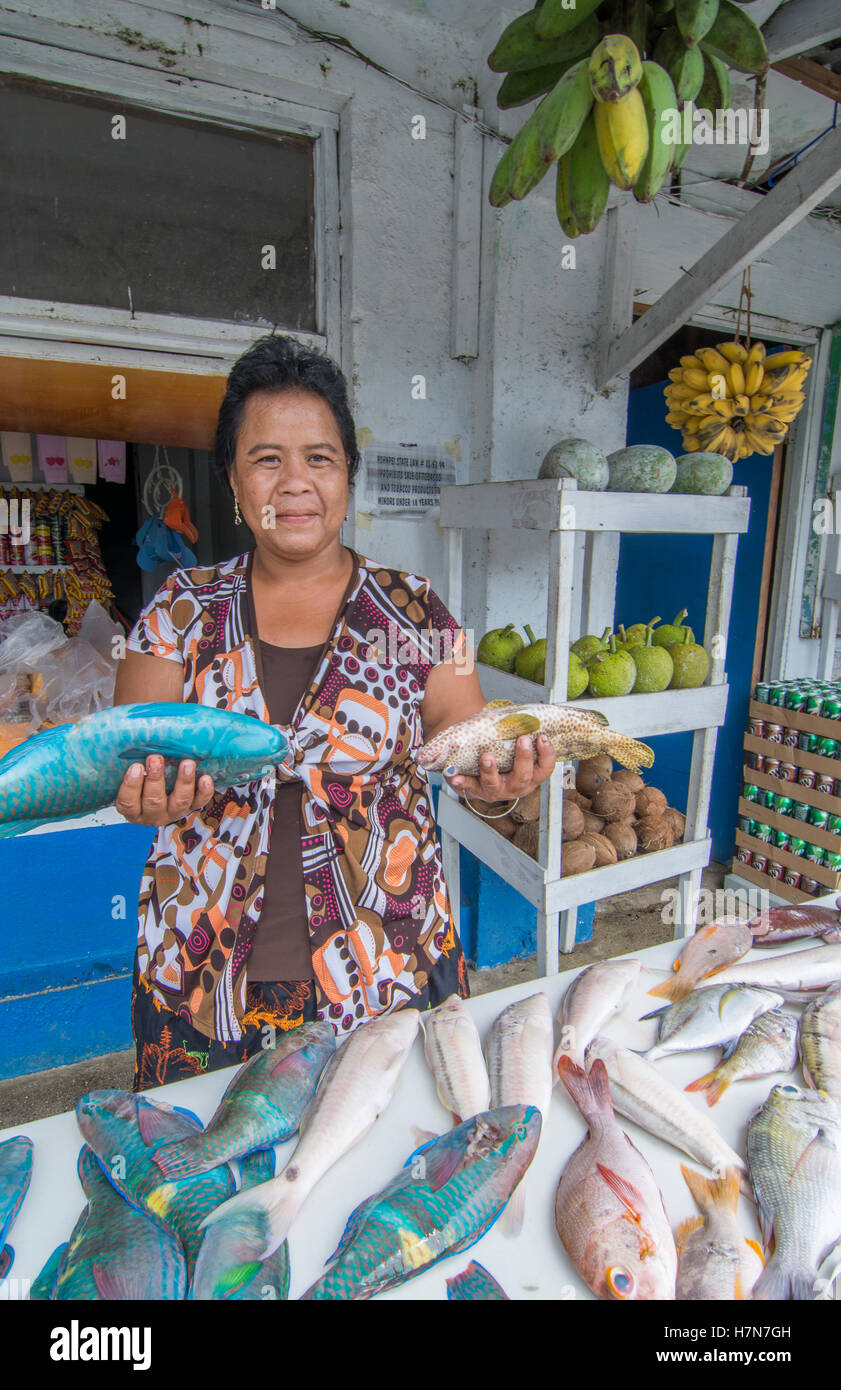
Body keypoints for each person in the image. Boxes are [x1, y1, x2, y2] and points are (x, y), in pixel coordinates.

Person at [114, 334, 556, 1089]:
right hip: (202, 975)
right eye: (266, 459)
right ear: (231, 479)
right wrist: (145, 797)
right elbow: (131, 766)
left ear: (347, 472)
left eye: (319, 457)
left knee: (384, 1174)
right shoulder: (179, 612)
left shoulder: (412, 613)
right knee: (199, 1183)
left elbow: (464, 743)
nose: (294, 483)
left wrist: (497, 783)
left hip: (389, 964)